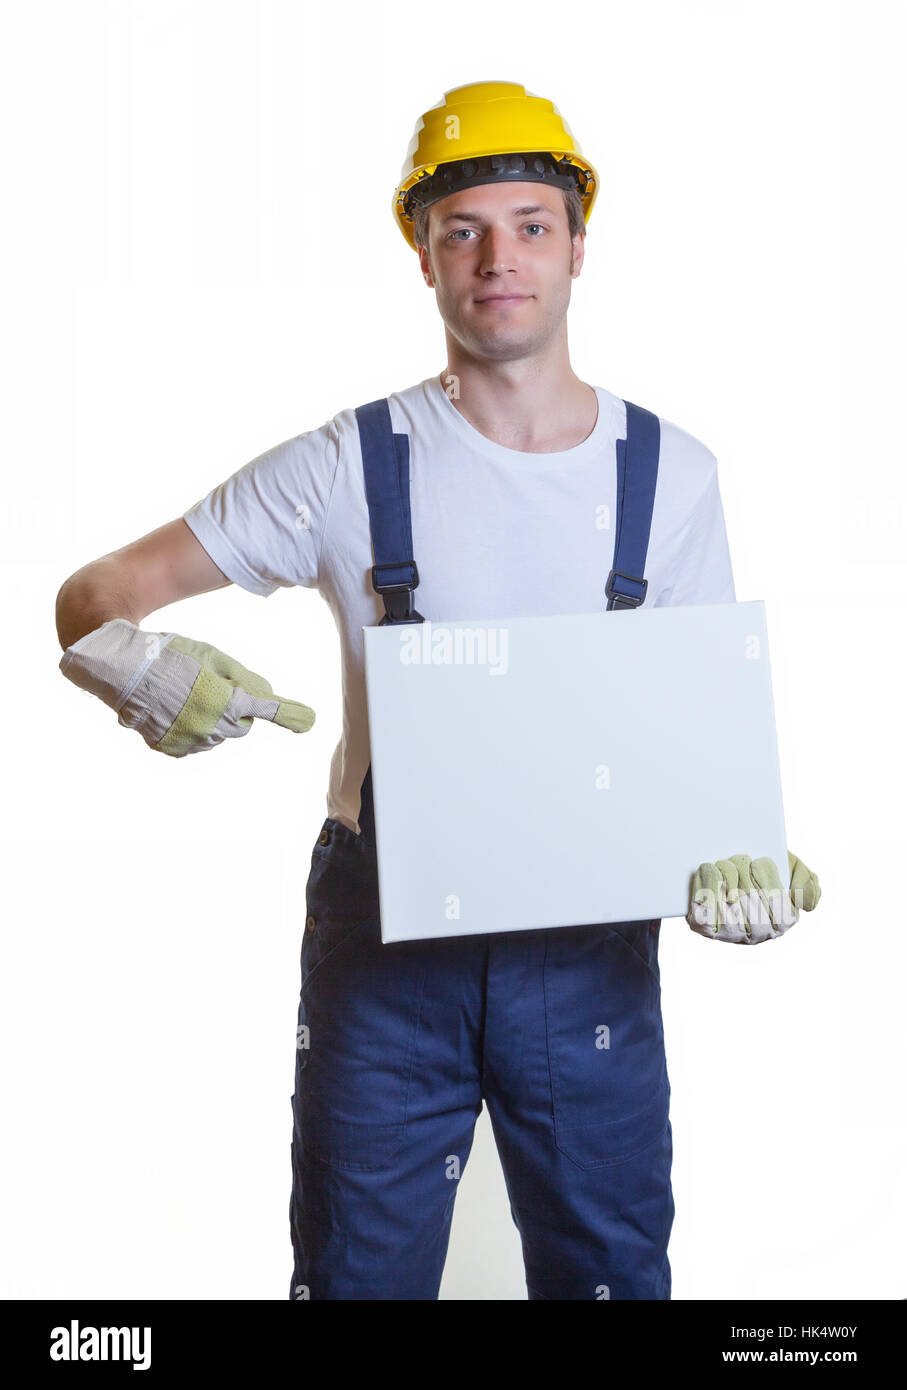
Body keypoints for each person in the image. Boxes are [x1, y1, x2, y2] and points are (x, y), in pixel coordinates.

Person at [56, 80, 821, 1300]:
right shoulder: (345, 465)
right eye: (461, 227)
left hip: (588, 956)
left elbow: (699, 751)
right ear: (422, 254)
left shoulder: (670, 475)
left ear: (579, 247)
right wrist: (133, 664)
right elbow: (95, 591)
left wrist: (736, 865)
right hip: (381, 949)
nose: (497, 256)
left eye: (529, 223)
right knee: (356, 1283)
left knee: (614, 1279)